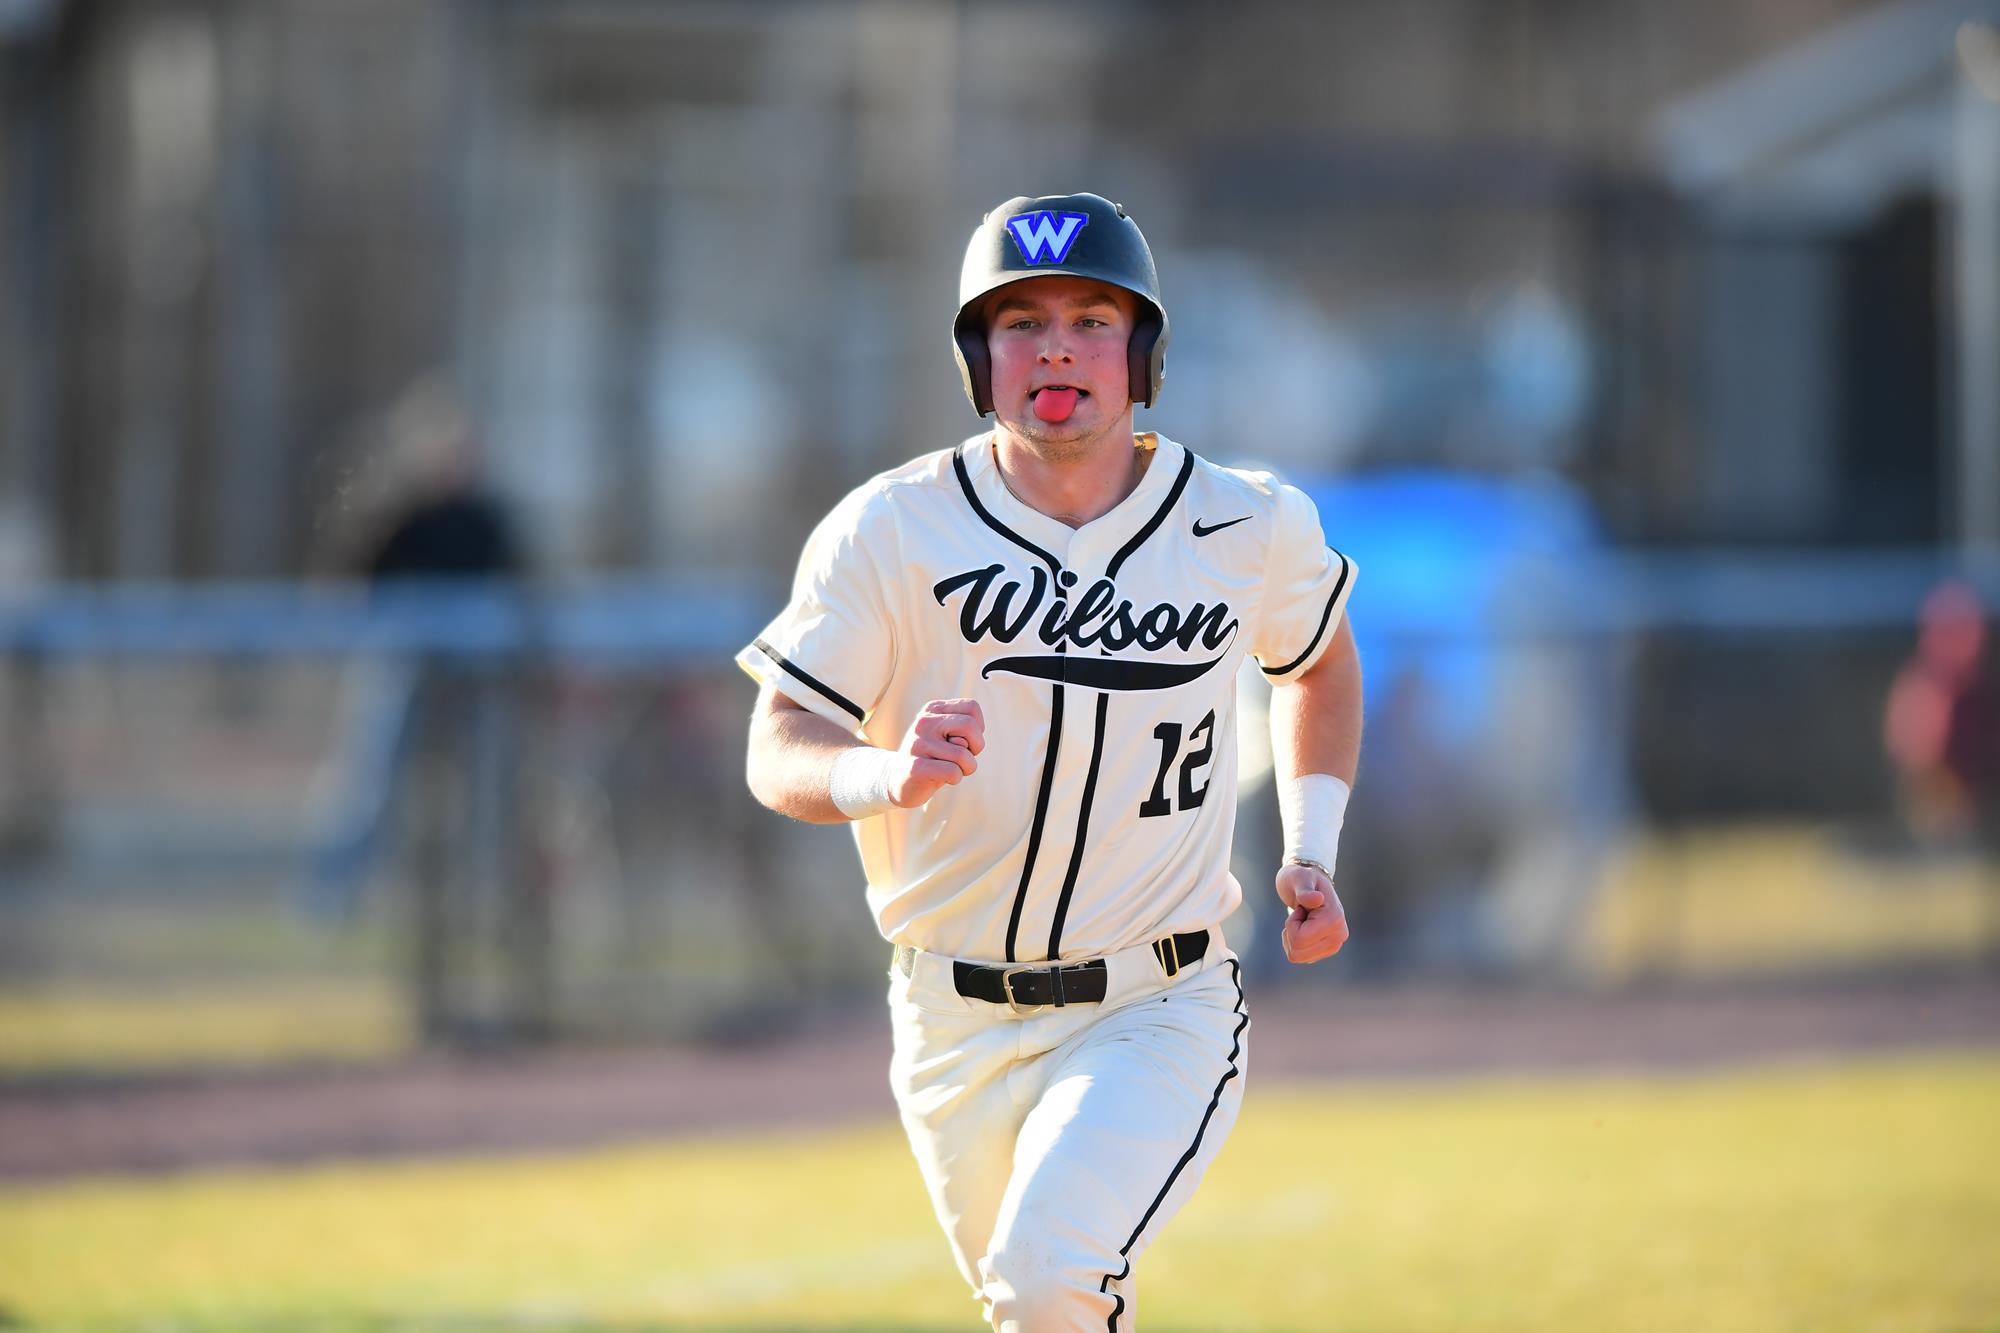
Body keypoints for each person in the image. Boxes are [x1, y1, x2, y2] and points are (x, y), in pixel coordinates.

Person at [737, 192, 1362, 1331]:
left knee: (1047, 1281)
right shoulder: (889, 528)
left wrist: (1311, 851)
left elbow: (1315, 662)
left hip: (1154, 998)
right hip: (947, 1014)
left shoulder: (1244, 525)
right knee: (1036, 1310)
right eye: (1019, 322)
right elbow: (774, 746)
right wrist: (884, 774)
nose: (1056, 347)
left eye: (1090, 317)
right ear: (979, 359)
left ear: (1144, 352)